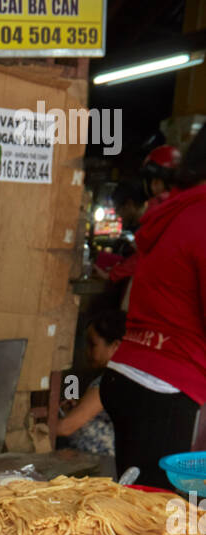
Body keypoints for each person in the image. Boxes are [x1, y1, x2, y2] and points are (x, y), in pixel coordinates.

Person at [99, 129, 206, 488]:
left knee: (137, 513)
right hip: (165, 388)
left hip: (130, 374)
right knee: (156, 525)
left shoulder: (179, 209)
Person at [56, 309, 125, 456]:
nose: (87, 351)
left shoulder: (108, 382)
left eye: (93, 345)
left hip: (104, 463)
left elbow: (65, 428)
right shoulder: (125, 378)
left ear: (115, 346)